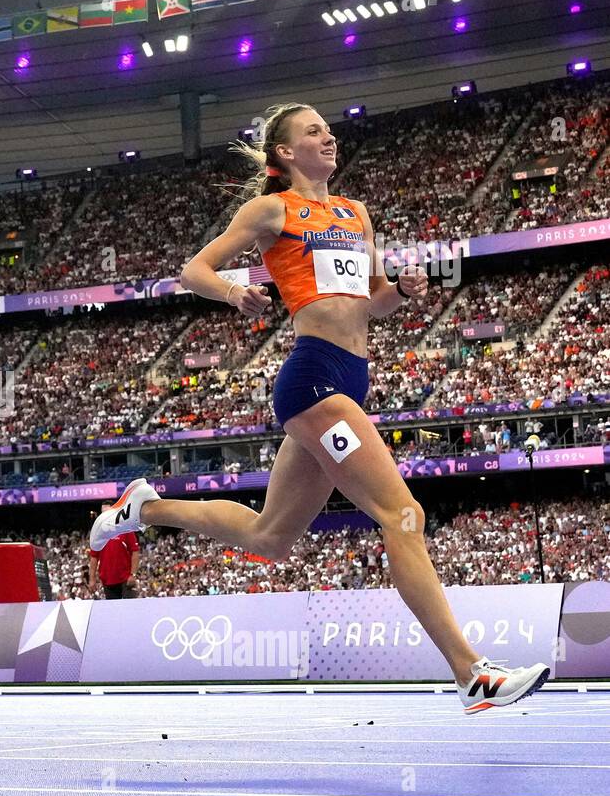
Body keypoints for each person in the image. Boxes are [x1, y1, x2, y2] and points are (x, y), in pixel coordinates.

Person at [90, 103, 549, 713]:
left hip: (350, 379)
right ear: (285, 152)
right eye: (313, 131)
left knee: (270, 537)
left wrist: (402, 292)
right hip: (313, 382)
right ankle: (471, 672)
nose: (328, 136)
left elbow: (373, 306)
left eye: (327, 129)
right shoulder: (271, 210)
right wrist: (234, 291)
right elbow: (193, 268)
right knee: (402, 514)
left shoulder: (355, 214)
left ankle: (145, 508)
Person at [89, 525, 140, 599]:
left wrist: (133, 574)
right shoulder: (98, 533)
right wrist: (92, 579)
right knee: (113, 609)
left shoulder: (126, 528)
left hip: (126, 579)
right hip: (108, 580)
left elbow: (135, 552)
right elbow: (94, 557)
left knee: (130, 608)